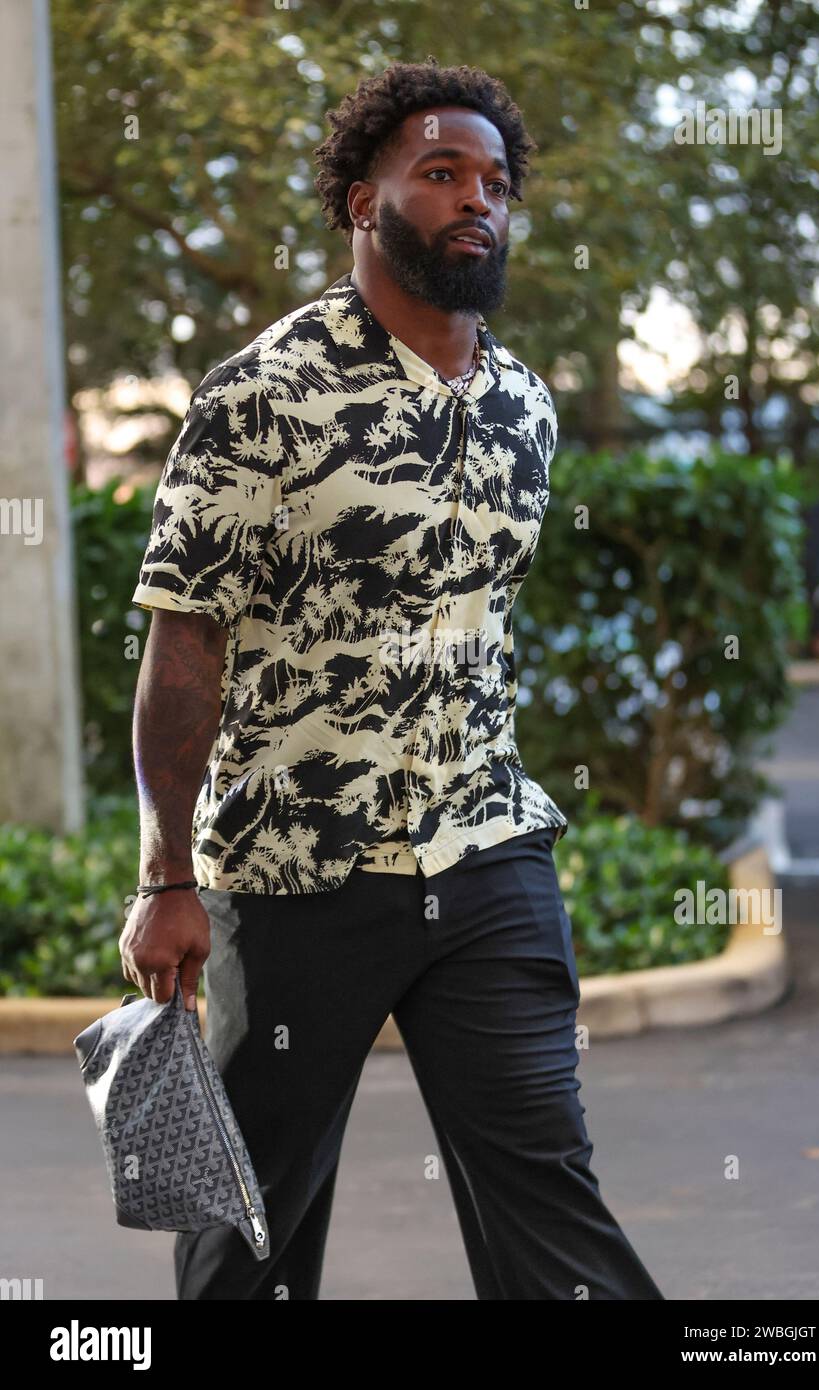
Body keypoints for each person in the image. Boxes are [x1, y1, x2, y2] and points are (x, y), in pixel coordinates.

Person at [121, 57, 664, 1301]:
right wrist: (166, 874)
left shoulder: (523, 405)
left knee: (548, 1188)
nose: (478, 198)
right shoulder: (261, 396)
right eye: (440, 174)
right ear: (365, 203)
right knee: (249, 1230)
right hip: (299, 867)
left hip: (483, 851)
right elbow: (183, 648)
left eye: (494, 182)